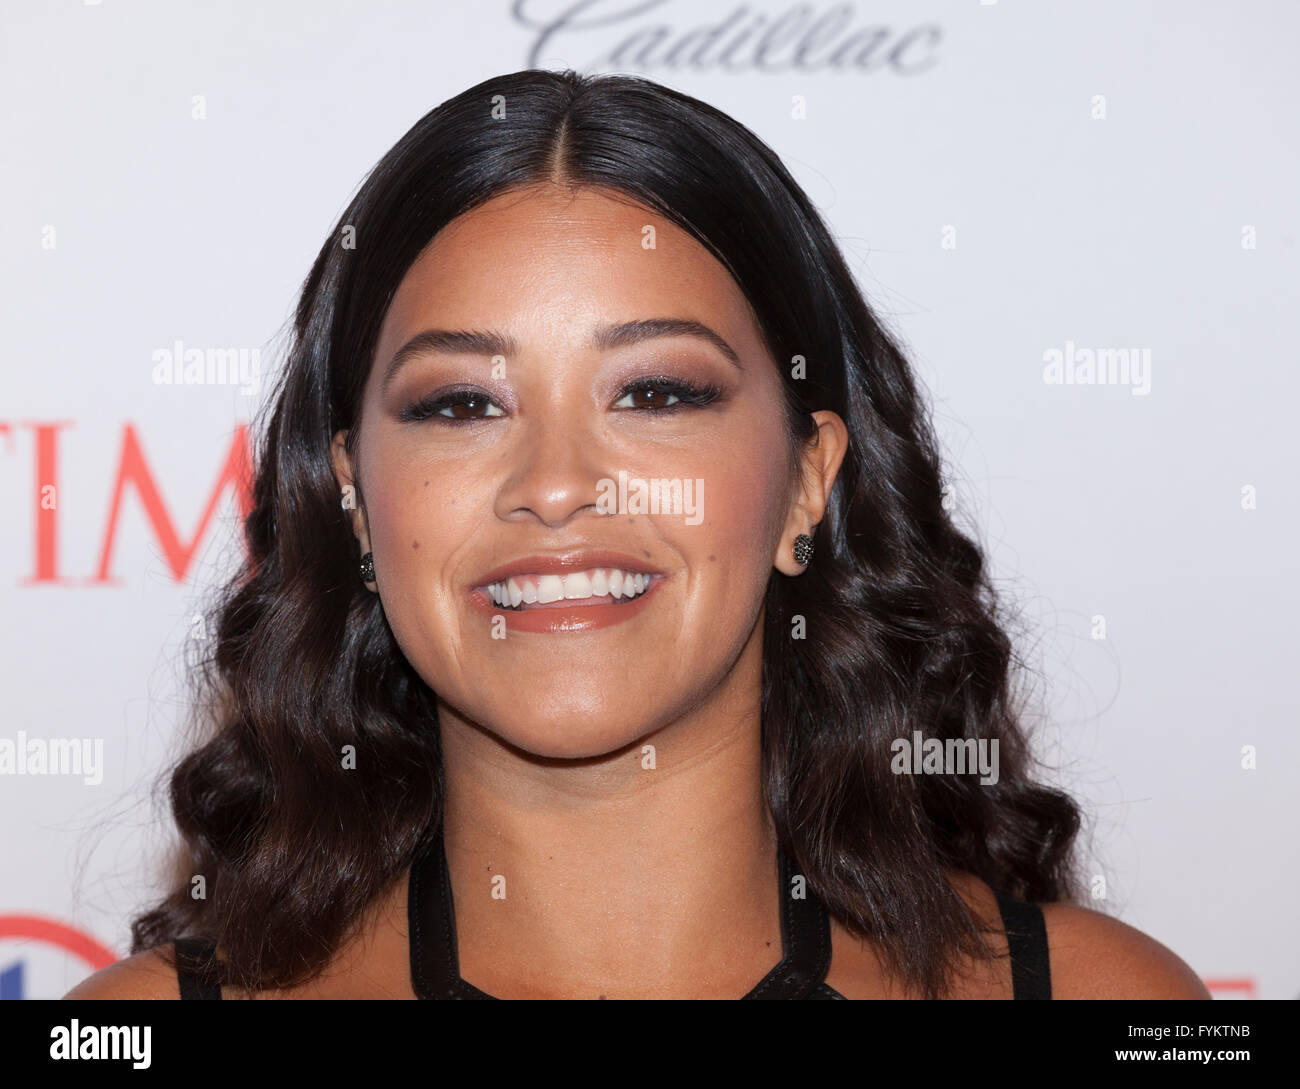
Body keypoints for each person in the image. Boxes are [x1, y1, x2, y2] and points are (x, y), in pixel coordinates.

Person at [67, 68, 1207, 1000]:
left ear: (809, 482)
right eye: (460, 404)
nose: (557, 487)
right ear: (353, 497)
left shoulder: (1110, 1002)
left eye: (656, 393)